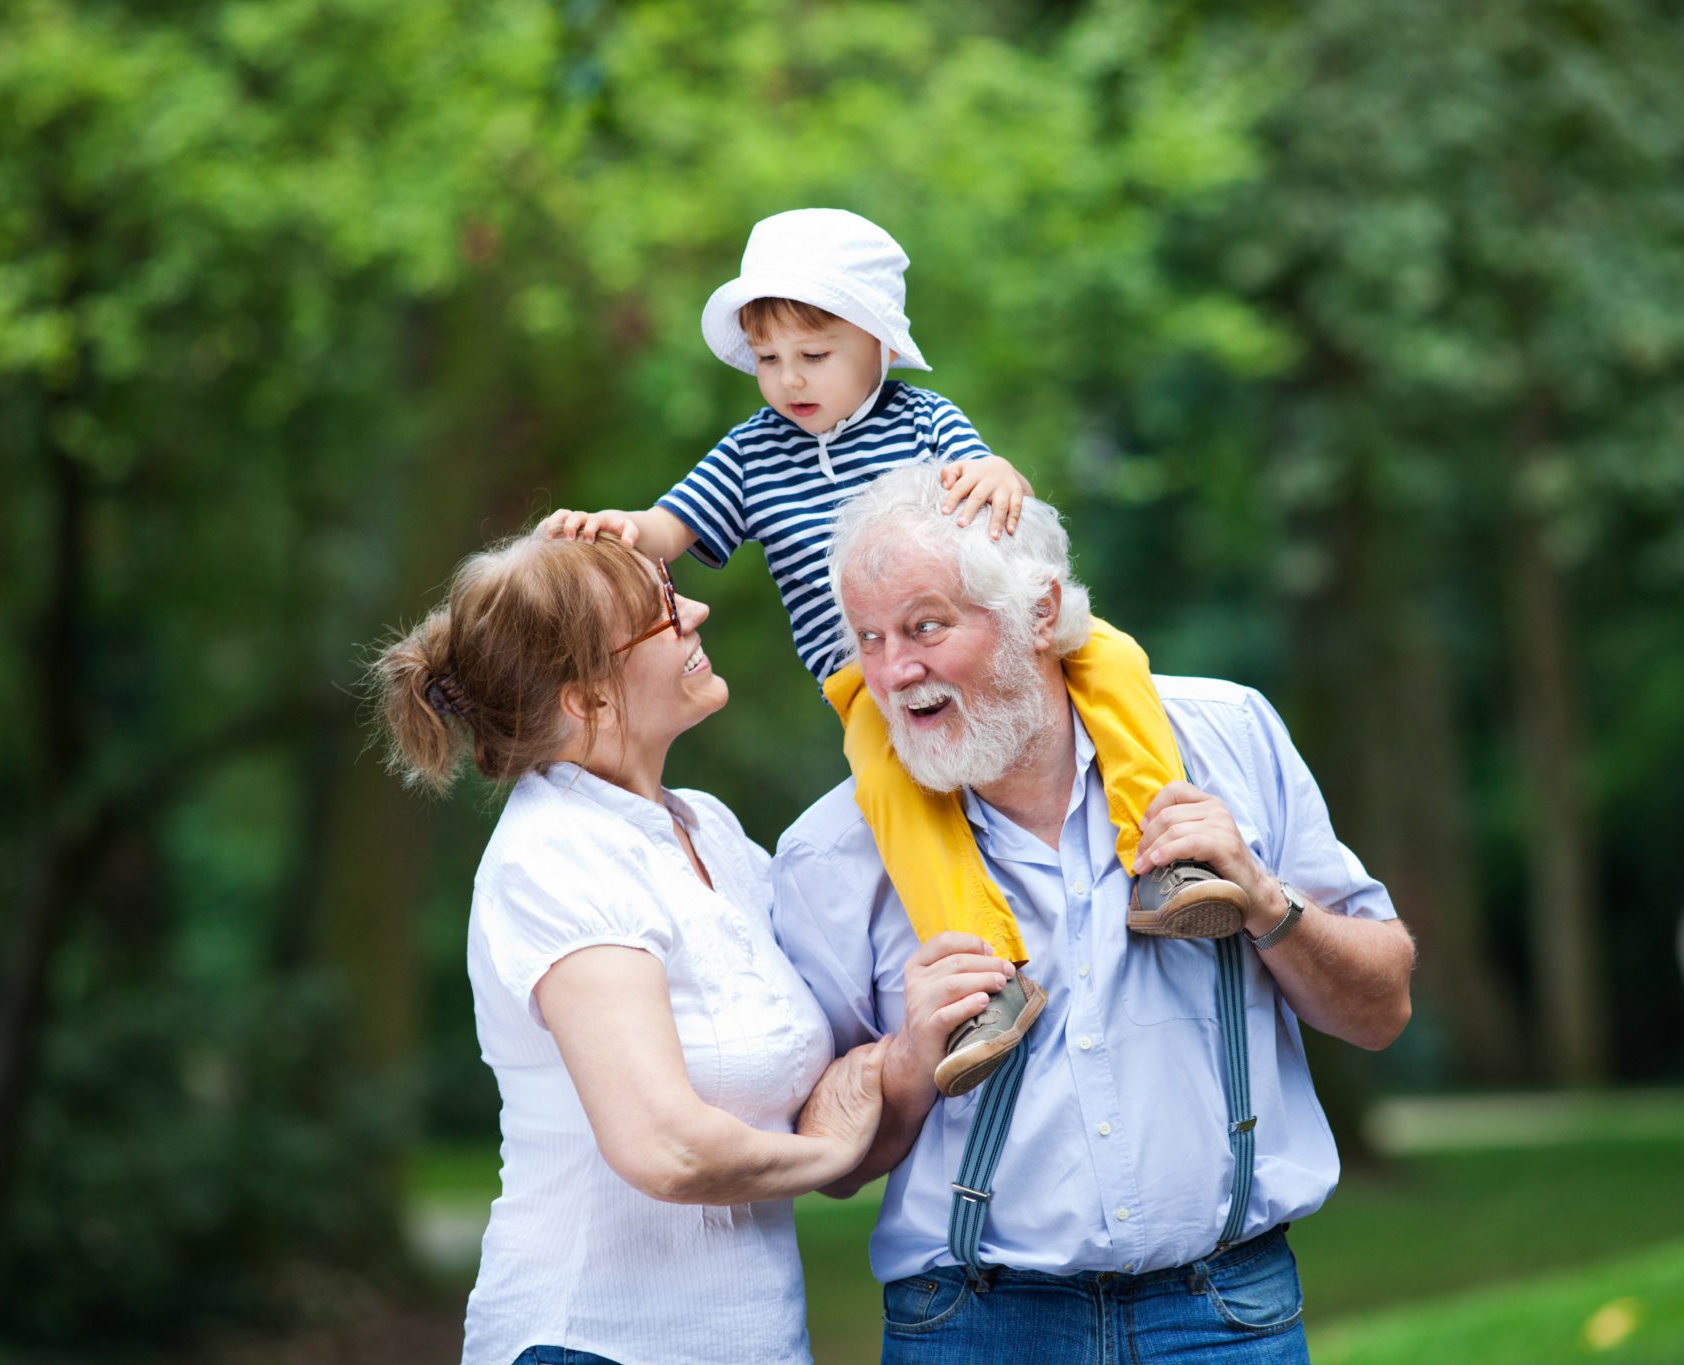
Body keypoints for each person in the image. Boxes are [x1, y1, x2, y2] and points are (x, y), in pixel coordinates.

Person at [543, 207, 1246, 1097]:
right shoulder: (752, 453)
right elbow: (667, 527)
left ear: (877, 343)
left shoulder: (924, 420)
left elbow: (989, 480)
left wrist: (999, 475)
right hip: (863, 678)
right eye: (768, 359)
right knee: (893, 788)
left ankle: (1163, 857)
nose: (789, 379)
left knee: (1115, 662)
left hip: (979, 634)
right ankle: (985, 969)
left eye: (814, 353)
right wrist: (620, 528)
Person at [769, 467, 1416, 1363]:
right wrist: (909, 1061)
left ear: (1041, 614)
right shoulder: (826, 855)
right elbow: (831, 1164)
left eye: (925, 626)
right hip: (973, 1327)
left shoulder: (1230, 735)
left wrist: (1268, 904)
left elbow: (1382, 1011)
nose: (892, 671)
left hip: (1226, 1317)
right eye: (869, 638)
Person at [370, 528, 886, 1365]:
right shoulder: (554, 855)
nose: (698, 611)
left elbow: (815, 1064)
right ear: (586, 699)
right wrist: (831, 1151)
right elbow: (666, 1145)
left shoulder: (706, 829)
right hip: (594, 1344)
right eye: (663, 614)